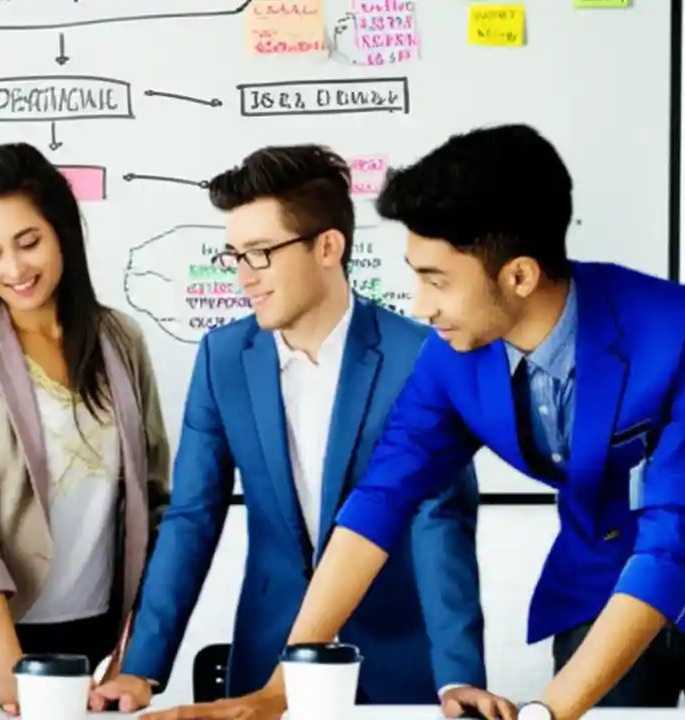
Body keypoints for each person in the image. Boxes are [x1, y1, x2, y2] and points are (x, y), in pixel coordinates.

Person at [145, 124, 685, 720]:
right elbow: (381, 500)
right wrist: (286, 682)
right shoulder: (452, 355)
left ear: (518, 276)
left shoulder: (678, 335)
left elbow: (674, 539)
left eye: (436, 280)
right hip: (602, 585)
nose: (418, 305)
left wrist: (543, 714)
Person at [92, 145, 485, 712]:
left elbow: (438, 519)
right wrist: (141, 668)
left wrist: (457, 675)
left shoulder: (419, 357)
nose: (243, 277)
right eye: (235, 256)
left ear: (328, 246)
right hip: (266, 661)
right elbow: (191, 518)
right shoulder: (222, 359)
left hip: (403, 665)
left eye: (261, 254)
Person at [0, 142, 172, 711]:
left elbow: (155, 505)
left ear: (62, 231)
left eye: (28, 242)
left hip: (98, 642)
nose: (14, 269)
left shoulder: (120, 340)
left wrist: (137, 655)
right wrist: (10, 669)